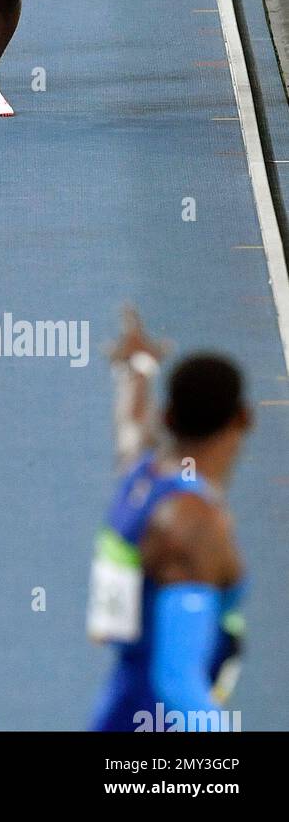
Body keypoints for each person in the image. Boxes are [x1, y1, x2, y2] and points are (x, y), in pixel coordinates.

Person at [88, 307, 250, 732]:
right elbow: (176, 681)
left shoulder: (142, 475)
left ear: (169, 417)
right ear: (243, 419)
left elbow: (130, 425)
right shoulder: (190, 527)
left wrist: (136, 367)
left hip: (124, 711)